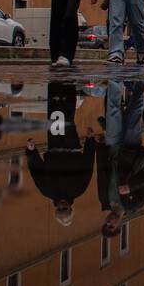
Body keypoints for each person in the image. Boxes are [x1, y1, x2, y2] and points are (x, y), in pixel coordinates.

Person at [26, 81, 96, 225]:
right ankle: (69, 86)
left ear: (56, 209)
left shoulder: (47, 191)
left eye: (60, 209)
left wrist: (31, 151)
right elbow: (88, 165)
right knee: (68, 119)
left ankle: (54, 85)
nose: (62, 206)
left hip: (54, 147)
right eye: (65, 209)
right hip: (72, 148)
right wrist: (90, 142)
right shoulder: (78, 190)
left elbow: (36, 170)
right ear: (71, 208)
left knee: (55, 115)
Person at [96, 79, 144, 238]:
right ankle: (139, 83)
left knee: (112, 111)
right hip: (131, 151)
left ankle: (115, 78)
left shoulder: (105, 199)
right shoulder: (134, 204)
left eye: (106, 224)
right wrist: (130, 187)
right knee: (133, 115)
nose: (110, 222)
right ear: (120, 225)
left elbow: (101, 171)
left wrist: (100, 147)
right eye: (112, 227)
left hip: (113, 147)